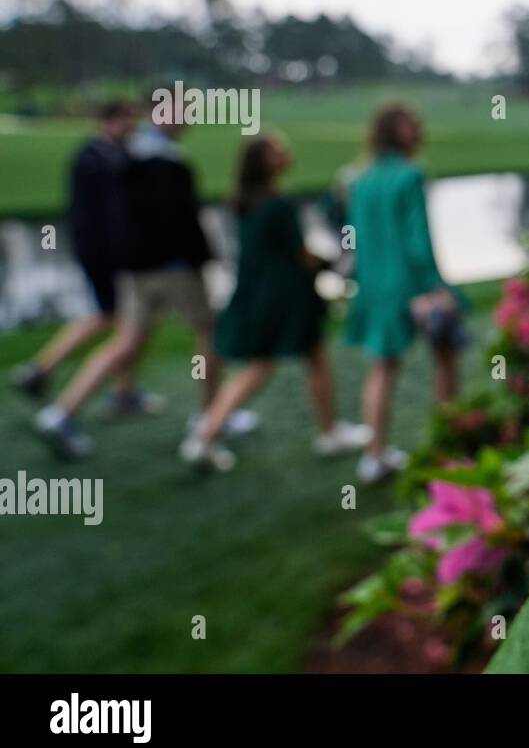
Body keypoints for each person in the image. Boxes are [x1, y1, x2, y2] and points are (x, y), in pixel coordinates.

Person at [35, 89, 253, 457]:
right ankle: (211, 413)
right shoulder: (160, 160)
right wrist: (201, 254)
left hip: (133, 267)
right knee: (208, 335)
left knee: (127, 340)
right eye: (182, 111)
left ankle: (61, 413)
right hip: (172, 267)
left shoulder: (124, 153)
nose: (188, 119)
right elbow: (176, 221)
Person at [179, 135, 371, 471]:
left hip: (255, 292)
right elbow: (301, 255)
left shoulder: (241, 202)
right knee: (297, 361)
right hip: (287, 296)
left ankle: (207, 434)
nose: (285, 153)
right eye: (276, 151)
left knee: (269, 364)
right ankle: (327, 432)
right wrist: (336, 263)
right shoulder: (279, 204)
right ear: (262, 162)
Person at [12, 101, 161, 415]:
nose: (131, 129)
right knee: (122, 322)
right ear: (110, 122)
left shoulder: (103, 154)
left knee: (115, 319)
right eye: (126, 123)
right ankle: (67, 384)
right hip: (105, 254)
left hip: (104, 253)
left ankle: (48, 370)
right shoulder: (97, 158)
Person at [345, 105, 459, 483]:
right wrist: (433, 287)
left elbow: (354, 236)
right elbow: (417, 239)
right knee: (445, 356)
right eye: (411, 126)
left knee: (381, 367)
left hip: (375, 286)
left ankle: (374, 455)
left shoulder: (360, 179)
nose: (418, 131)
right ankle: (449, 447)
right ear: (394, 132)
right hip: (411, 285)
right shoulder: (410, 176)